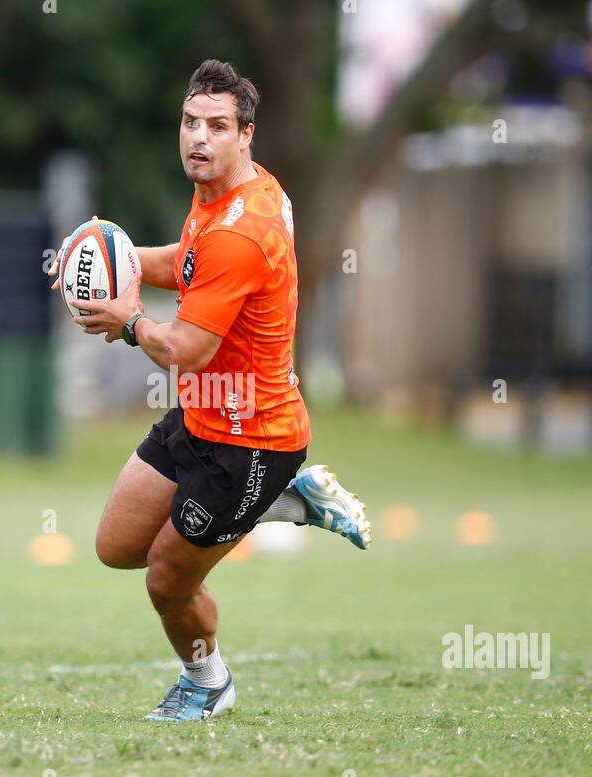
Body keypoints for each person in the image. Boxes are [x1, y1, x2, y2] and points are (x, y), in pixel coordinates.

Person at [49, 60, 372, 723]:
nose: (199, 137)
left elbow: (184, 347)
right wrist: (117, 257)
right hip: (201, 416)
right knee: (116, 546)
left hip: (252, 444)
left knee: (167, 577)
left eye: (217, 126)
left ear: (245, 135)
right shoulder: (223, 198)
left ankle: (207, 682)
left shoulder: (241, 232)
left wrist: (127, 320)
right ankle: (294, 502)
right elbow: (188, 260)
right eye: (191, 122)